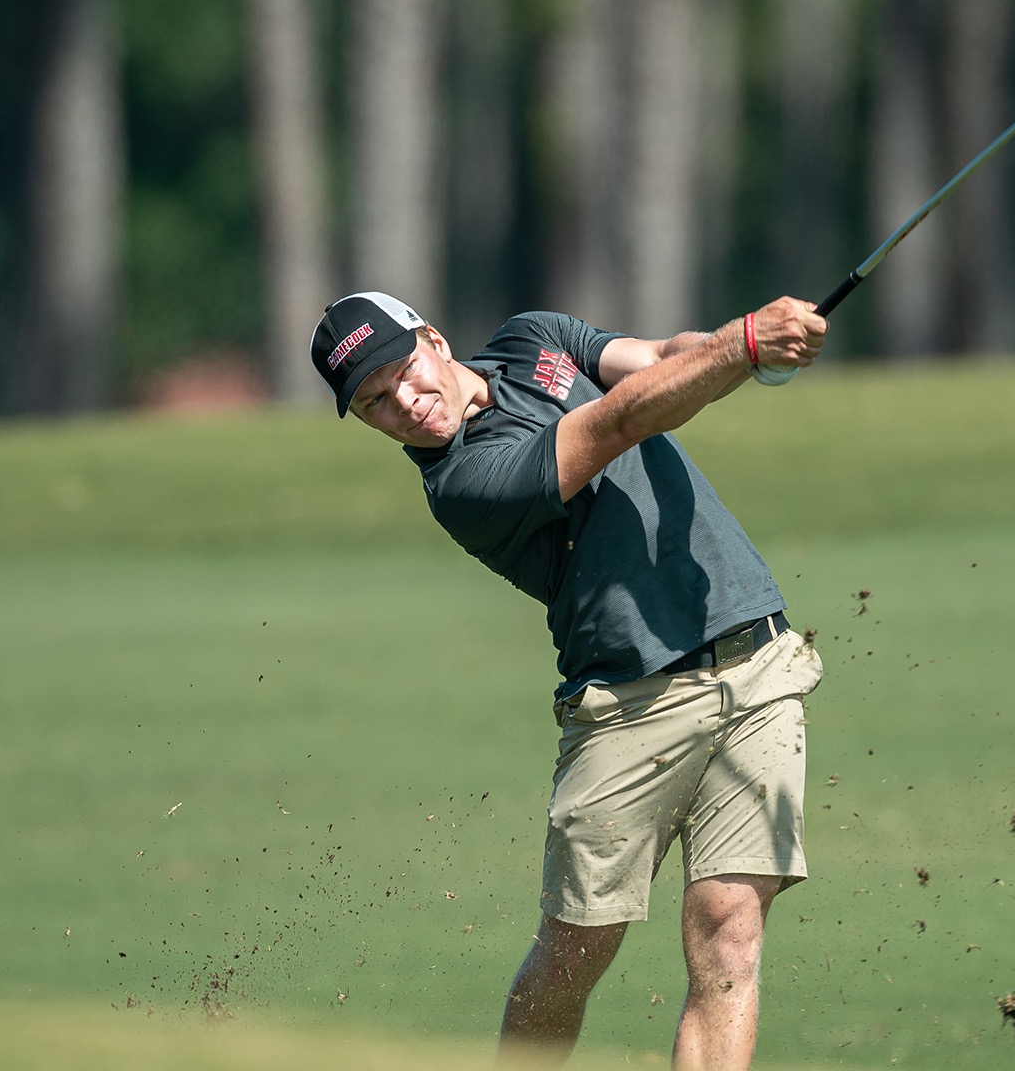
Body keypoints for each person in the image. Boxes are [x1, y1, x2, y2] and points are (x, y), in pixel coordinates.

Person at [310, 291, 829, 1070]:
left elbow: (657, 359)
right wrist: (742, 348)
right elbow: (618, 421)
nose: (405, 407)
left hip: (757, 666)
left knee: (730, 936)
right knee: (570, 960)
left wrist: (733, 342)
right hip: (626, 711)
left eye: (403, 374)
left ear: (436, 340)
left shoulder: (533, 339)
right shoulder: (462, 485)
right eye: (375, 405)